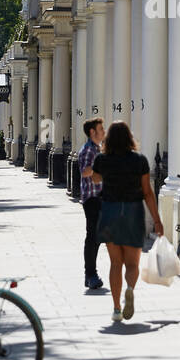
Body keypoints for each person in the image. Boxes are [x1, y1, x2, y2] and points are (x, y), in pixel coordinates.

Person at [91, 121, 164, 323]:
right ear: (129, 138)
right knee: (132, 264)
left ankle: (116, 309)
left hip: (110, 211)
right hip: (133, 211)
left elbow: (96, 180)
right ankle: (129, 290)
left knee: (116, 263)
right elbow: (148, 193)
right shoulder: (139, 161)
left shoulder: (102, 159)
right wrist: (157, 221)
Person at [79, 118, 105, 291]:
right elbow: (85, 171)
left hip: (99, 197)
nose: (103, 132)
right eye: (100, 129)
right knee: (92, 237)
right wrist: (101, 168)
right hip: (92, 198)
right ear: (92, 132)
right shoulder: (88, 150)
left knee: (96, 237)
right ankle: (90, 274)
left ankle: (91, 274)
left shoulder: (96, 149)